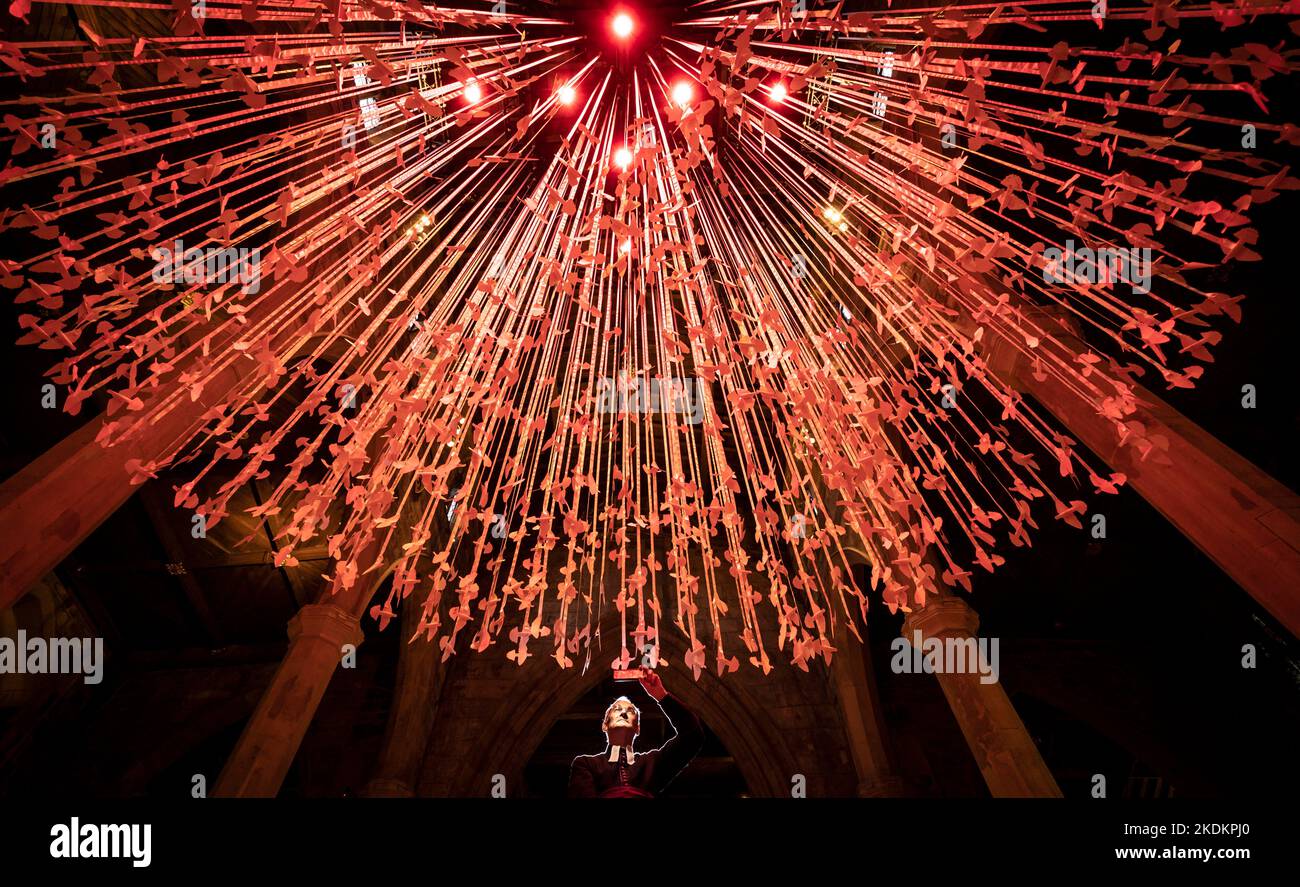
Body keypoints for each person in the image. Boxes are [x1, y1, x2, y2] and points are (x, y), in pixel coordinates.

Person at [567, 670, 703, 798]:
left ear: (638, 728)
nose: (624, 713)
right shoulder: (586, 763)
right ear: (605, 725)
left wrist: (662, 696)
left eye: (631, 711)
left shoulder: (652, 763)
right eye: (617, 709)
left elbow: (693, 735)